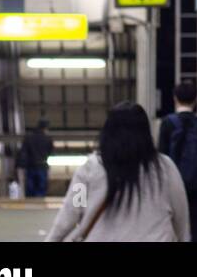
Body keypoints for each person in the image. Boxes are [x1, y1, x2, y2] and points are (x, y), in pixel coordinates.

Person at [45, 102, 188, 242]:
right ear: (145, 132)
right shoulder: (165, 167)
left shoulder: (89, 168)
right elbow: (180, 215)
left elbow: (71, 211)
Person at [158, 82, 197, 243]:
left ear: (175, 99)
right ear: (195, 100)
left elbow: (162, 155)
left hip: (172, 184)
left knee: (171, 226)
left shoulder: (167, 123)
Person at [17, 119, 54, 197]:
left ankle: (30, 205)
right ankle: (40, 204)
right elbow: (51, 151)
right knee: (41, 188)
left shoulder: (28, 138)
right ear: (46, 128)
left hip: (30, 166)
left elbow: (23, 152)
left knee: (30, 189)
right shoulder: (48, 138)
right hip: (42, 166)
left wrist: (21, 165)